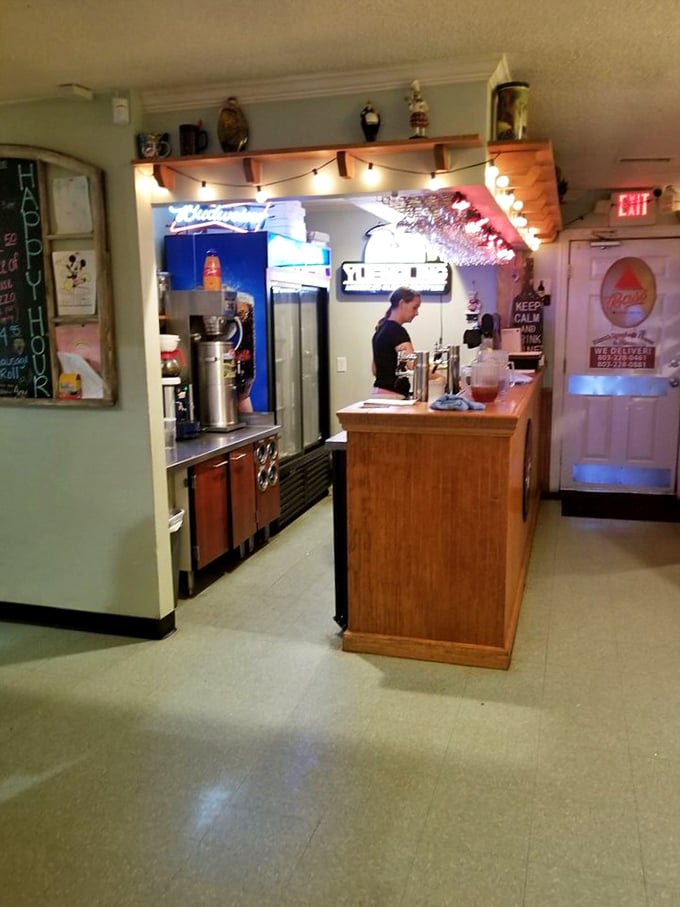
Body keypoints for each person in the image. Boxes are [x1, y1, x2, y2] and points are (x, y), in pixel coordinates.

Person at [371, 287, 422, 397]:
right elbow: (413, 365)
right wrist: (440, 377)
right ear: (402, 303)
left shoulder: (381, 328)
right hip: (392, 396)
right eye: (415, 307)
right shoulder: (397, 331)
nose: (417, 313)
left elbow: (375, 370)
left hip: (379, 393)